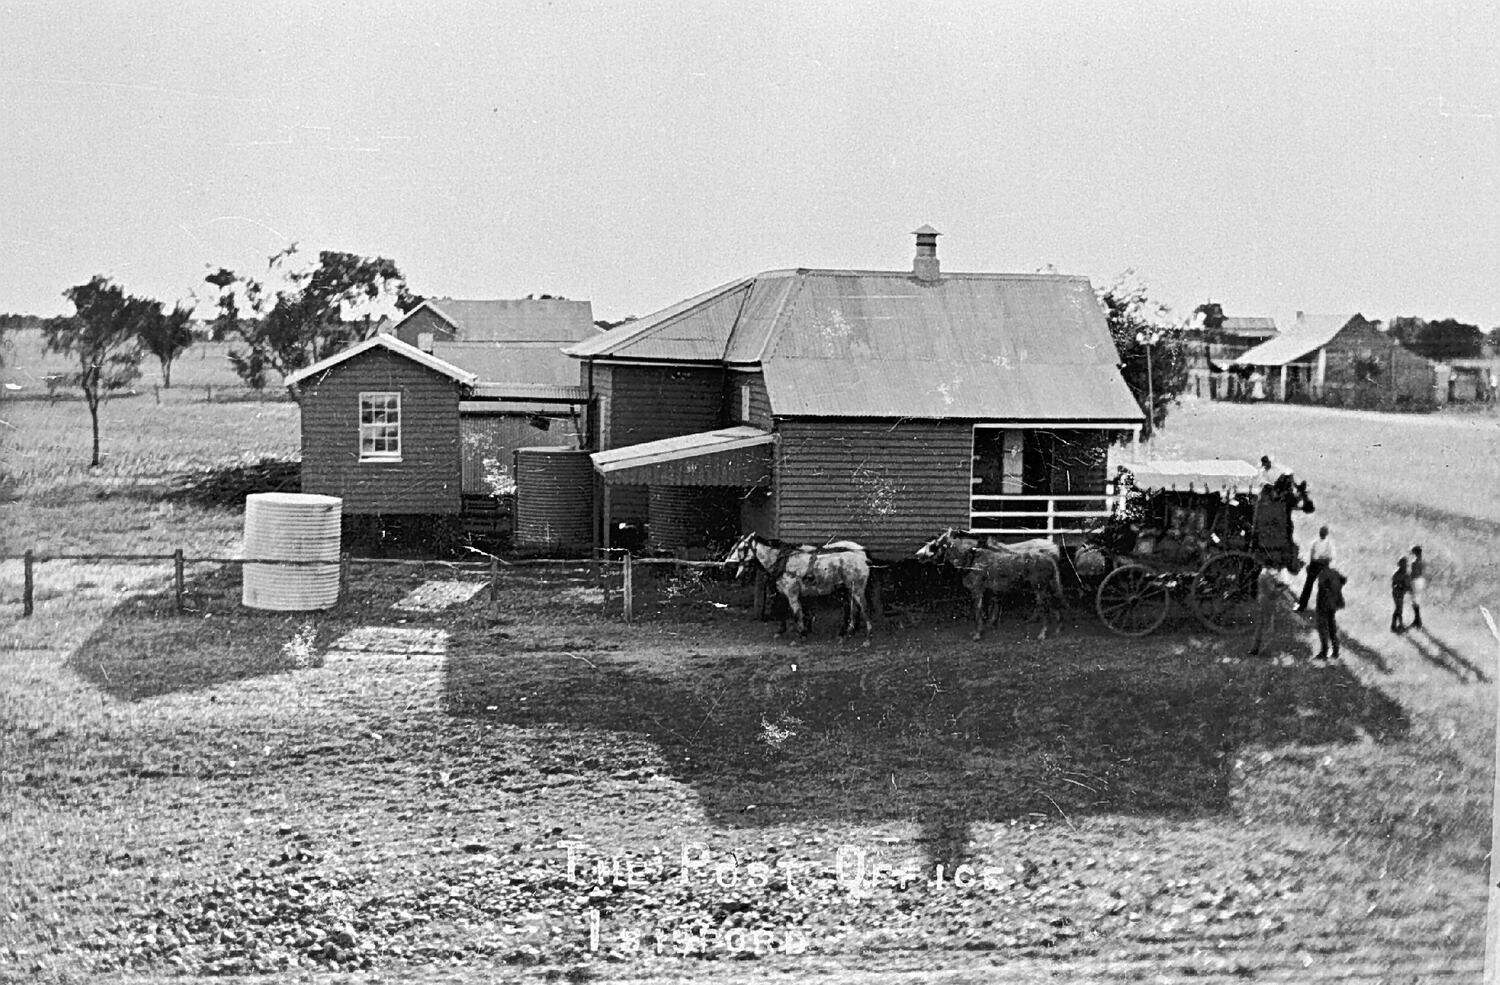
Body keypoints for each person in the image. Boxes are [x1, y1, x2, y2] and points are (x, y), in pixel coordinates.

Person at [1249, 565, 1296, 656]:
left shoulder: (1263, 573)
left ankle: (1255, 648)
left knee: (1260, 626)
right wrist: (1284, 587)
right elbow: (1272, 594)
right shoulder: (1267, 576)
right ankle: (1266, 651)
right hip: (1267, 602)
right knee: (1268, 626)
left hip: (1262, 600)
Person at [1297, 525, 1336, 612]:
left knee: (1322, 588)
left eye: (1323, 532)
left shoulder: (1328, 544)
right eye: (1321, 531)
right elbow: (1312, 555)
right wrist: (1310, 564)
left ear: (1326, 533)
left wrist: (1320, 560)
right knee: (1308, 585)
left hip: (1322, 566)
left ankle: (1321, 609)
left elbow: (1330, 558)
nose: (1322, 533)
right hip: (1315, 565)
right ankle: (1302, 605)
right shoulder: (1316, 542)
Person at [1313, 565, 1347, 662]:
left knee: (1322, 627)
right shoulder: (1334, 572)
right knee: (1331, 627)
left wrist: (1320, 606)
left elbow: (1323, 591)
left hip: (1324, 605)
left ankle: (1324, 652)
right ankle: (1335, 651)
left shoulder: (1323, 575)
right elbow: (1343, 580)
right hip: (1333, 605)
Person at [1408, 545, 1426, 629]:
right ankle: (1417, 620)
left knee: (1414, 602)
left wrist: (1409, 584)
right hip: (1421, 581)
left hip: (1415, 582)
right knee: (1416, 601)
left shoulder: (1414, 563)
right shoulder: (1422, 562)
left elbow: (1413, 575)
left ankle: (1417, 620)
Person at [1390, 556, 1410, 632]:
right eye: (1404, 565)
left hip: (1398, 594)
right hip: (1397, 594)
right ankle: (1400, 625)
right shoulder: (1399, 574)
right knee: (1399, 609)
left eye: (1405, 564)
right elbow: (1394, 584)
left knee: (1398, 609)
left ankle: (1394, 625)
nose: (1405, 566)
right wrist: (1401, 587)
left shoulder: (1403, 574)